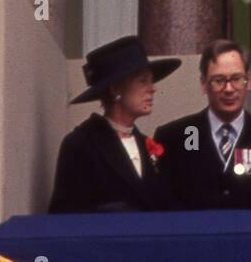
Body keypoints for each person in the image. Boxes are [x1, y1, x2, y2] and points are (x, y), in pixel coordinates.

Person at [154, 39, 251, 210]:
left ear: (248, 82)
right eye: (219, 80)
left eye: (236, 78)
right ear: (204, 84)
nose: (228, 88)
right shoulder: (177, 136)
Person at [48, 36, 181, 213]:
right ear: (116, 89)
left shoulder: (146, 144)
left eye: (151, 80)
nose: (152, 88)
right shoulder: (81, 144)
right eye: (143, 81)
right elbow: (63, 214)